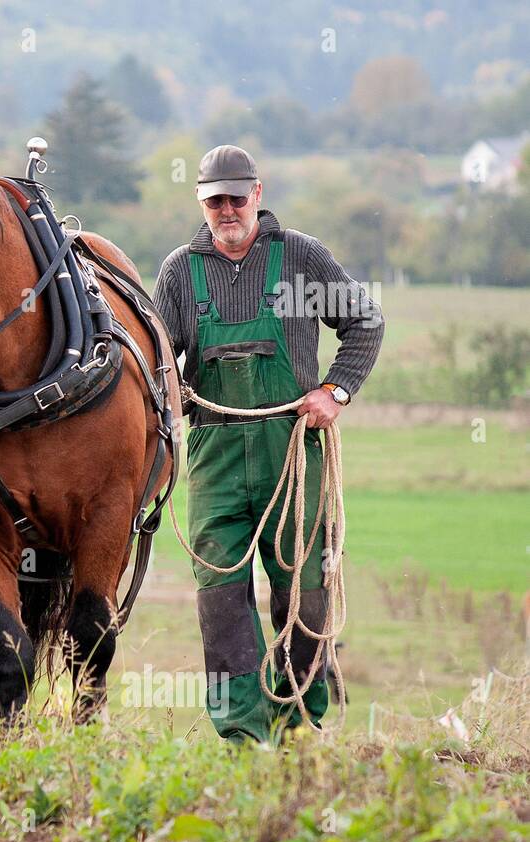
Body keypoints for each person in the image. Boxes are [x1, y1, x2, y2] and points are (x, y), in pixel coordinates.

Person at [152, 144, 384, 743]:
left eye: (235, 197)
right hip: (215, 457)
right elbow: (158, 356)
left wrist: (336, 391)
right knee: (222, 600)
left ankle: (301, 725)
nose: (226, 209)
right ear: (201, 203)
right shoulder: (180, 270)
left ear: (257, 194)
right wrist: (169, 388)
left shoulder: (301, 258)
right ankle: (241, 736)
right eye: (214, 200)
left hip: (292, 452)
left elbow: (366, 320)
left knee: (303, 595)